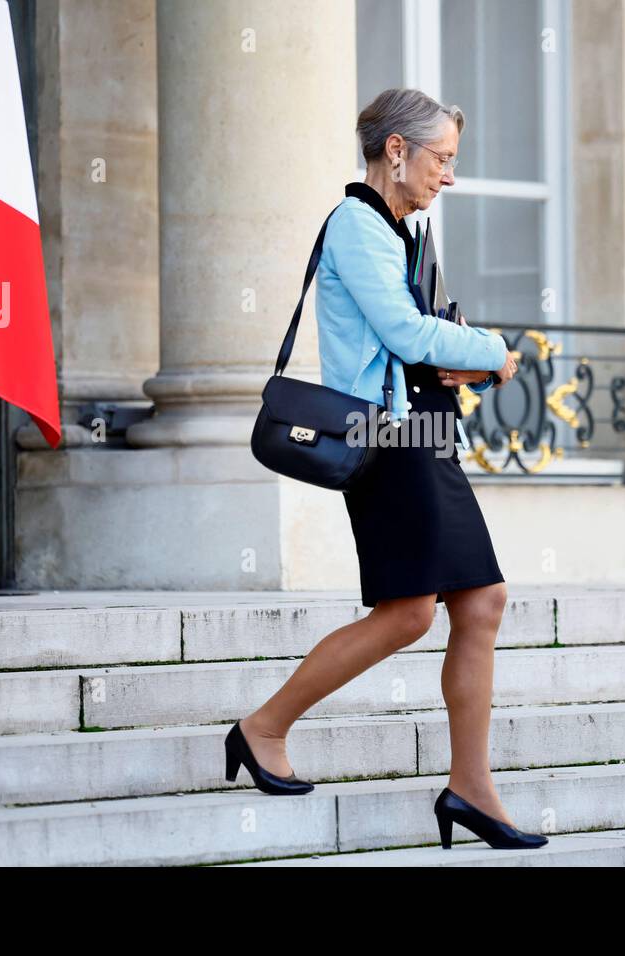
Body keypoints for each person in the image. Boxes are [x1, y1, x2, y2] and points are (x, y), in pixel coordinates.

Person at [226, 88, 545, 851]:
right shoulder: (357, 226)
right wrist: (493, 352)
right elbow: (403, 330)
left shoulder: (403, 232)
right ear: (395, 150)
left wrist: (453, 360)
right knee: (409, 614)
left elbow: (407, 346)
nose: (451, 176)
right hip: (390, 444)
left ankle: (471, 787)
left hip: (420, 431)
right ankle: (262, 727)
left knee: (480, 603)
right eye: (443, 159)